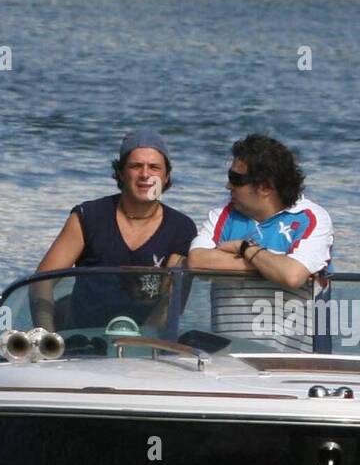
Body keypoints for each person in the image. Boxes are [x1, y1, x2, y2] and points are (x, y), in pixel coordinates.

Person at [32, 129, 197, 331]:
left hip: (144, 343)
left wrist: (144, 343)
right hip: (82, 338)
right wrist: (47, 337)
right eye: (136, 166)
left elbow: (169, 305)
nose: (145, 174)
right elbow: (42, 281)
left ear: (166, 176)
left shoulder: (181, 228)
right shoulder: (88, 217)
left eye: (154, 167)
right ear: (120, 172)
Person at [187, 135, 333, 352]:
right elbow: (197, 261)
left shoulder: (312, 218)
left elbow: (291, 276)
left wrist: (244, 248)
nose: (228, 185)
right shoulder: (223, 214)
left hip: (293, 362)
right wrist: (274, 264)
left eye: (236, 179)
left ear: (265, 187)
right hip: (228, 358)